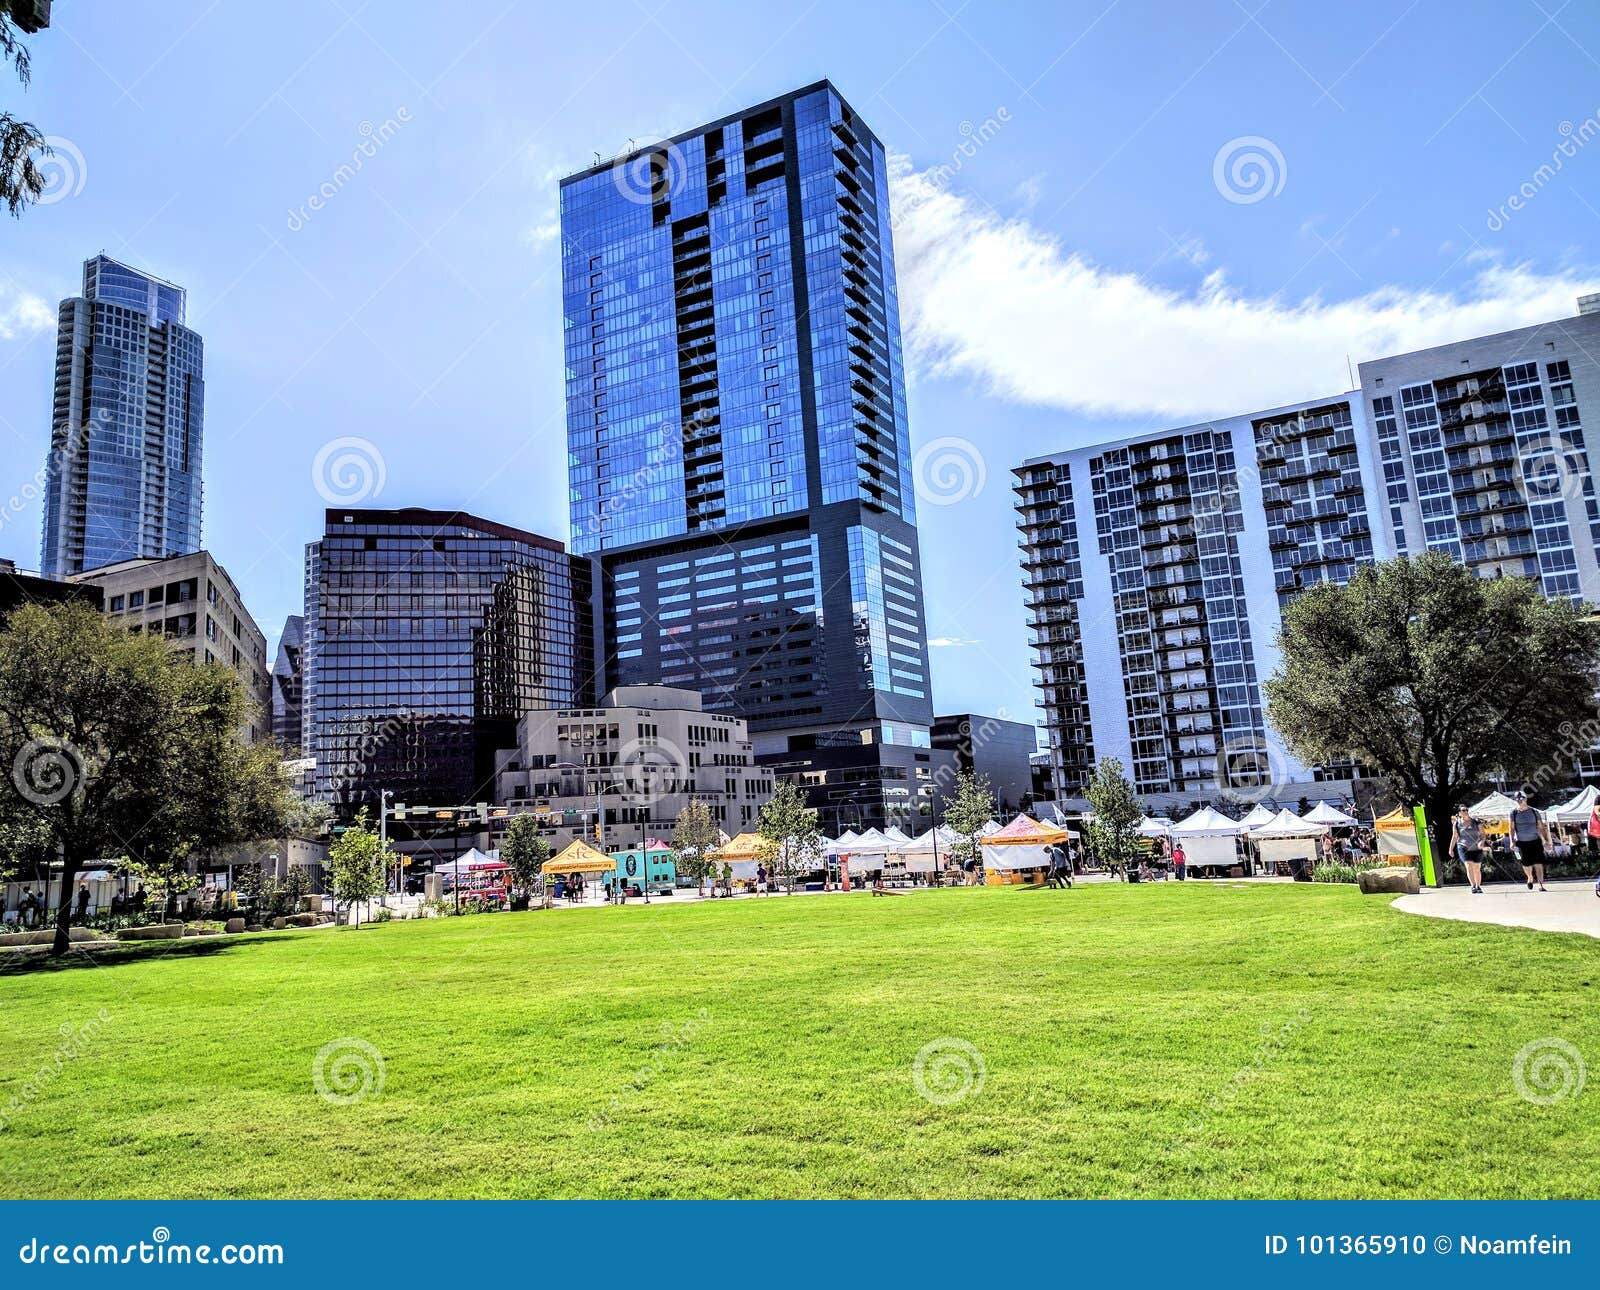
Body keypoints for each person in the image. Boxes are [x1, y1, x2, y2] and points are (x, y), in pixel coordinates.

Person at [1508, 791, 1551, 891]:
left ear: (1526, 799)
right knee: (1526, 863)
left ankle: (1541, 885)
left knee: (1538, 863)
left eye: (1521, 798)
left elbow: (1541, 827)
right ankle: (1530, 877)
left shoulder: (1534, 812)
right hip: (1521, 842)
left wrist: (1546, 841)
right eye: (1517, 799)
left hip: (1535, 841)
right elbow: (1511, 828)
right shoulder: (1513, 813)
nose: (1519, 801)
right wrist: (1511, 841)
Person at [1449, 805, 1486, 894]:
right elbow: (1455, 837)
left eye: (1466, 810)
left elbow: (1483, 834)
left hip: (1477, 847)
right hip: (1463, 847)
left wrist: (1482, 842)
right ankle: (1473, 886)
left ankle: (1478, 886)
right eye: (1463, 810)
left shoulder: (1476, 822)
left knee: (1477, 868)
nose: (1466, 811)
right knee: (1469, 865)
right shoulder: (1456, 824)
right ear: (1459, 813)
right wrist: (1451, 849)